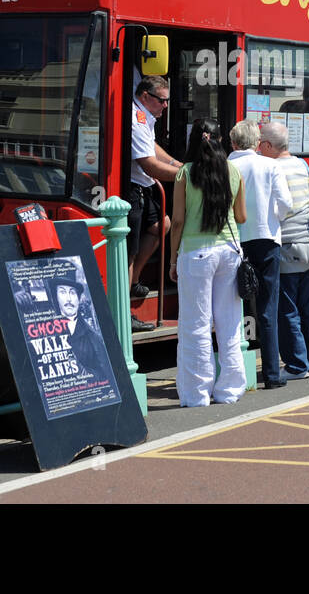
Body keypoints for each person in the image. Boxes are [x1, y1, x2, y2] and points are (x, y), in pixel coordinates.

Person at [168, 118, 247, 407]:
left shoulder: (185, 173)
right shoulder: (234, 170)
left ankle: (196, 394)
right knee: (229, 322)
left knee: (195, 324)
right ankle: (229, 390)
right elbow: (241, 218)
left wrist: (173, 260)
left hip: (196, 253)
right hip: (229, 251)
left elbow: (177, 221)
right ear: (220, 141)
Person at [227, 120, 293, 390]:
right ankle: (272, 375)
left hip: (234, 241)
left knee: (230, 308)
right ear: (256, 143)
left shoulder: (227, 166)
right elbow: (286, 203)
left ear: (232, 143)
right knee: (267, 309)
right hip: (266, 240)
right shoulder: (271, 166)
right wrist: (271, 221)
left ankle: (235, 376)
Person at [261, 121, 309, 380]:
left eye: (259, 143)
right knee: (308, 309)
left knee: (287, 310)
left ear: (267, 145)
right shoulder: (302, 164)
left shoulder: (272, 168)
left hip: (287, 245)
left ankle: (298, 366)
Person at [128, 75, 181, 331]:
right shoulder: (135, 120)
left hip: (144, 186)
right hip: (131, 189)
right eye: (162, 100)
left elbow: (153, 148)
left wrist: (176, 164)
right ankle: (125, 309)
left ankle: (135, 279)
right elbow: (148, 164)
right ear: (146, 97)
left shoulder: (145, 116)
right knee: (128, 250)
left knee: (162, 225)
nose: (166, 106)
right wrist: (187, 175)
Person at [50, 275, 110, 382]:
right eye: (63, 292)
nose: (69, 299)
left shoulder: (93, 337)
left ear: (78, 298)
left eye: (72, 293)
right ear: (56, 297)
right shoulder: (47, 330)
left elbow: (106, 377)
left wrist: (83, 373)